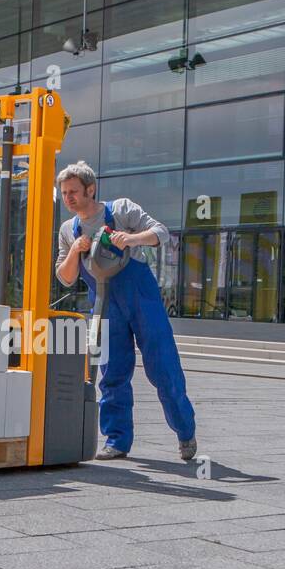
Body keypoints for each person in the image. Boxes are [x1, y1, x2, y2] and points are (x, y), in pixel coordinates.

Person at [55, 161, 197, 461]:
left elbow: (161, 233)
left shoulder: (120, 210)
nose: (68, 198)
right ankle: (117, 440)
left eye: (74, 192)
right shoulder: (69, 230)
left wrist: (130, 239)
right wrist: (77, 250)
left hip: (141, 298)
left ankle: (185, 432)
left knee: (163, 368)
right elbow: (66, 277)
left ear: (90, 190)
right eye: (64, 192)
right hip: (103, 304)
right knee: (111, 373)